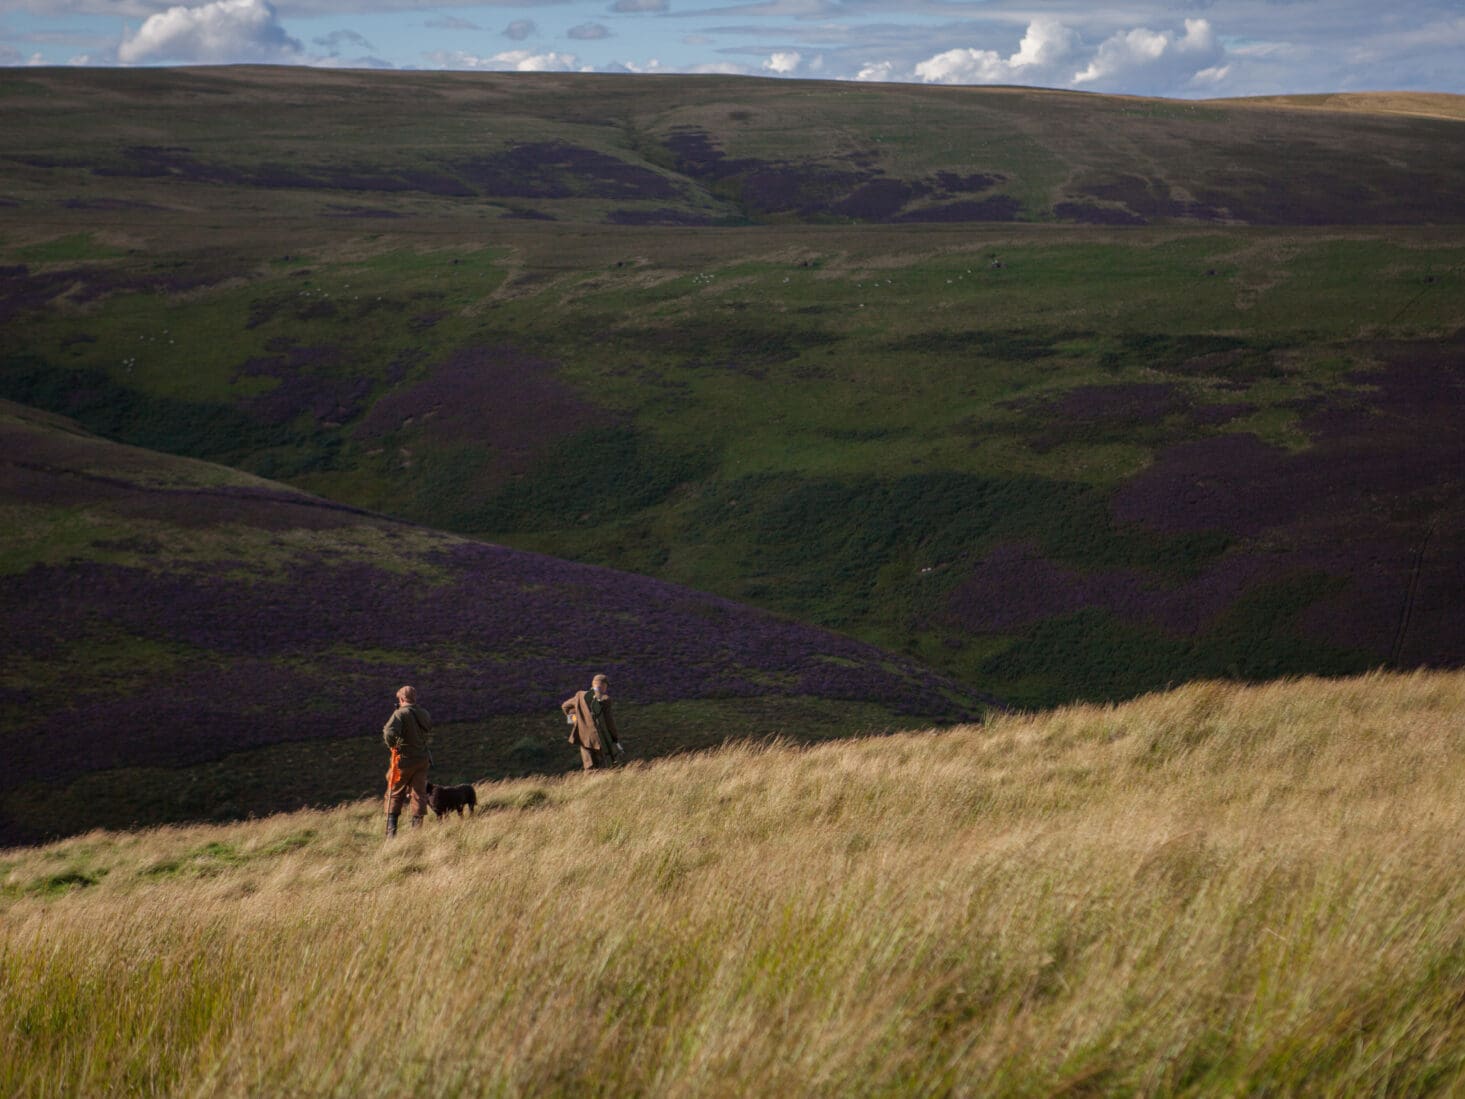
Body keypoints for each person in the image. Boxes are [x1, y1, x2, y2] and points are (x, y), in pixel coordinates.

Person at [383, 684, 433, 837]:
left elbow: (389, 733)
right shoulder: (424, 713)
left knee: (394, 793)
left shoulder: (400, 714)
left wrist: (397, 745)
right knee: (419, 794)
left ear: (402, 698)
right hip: (422, 759)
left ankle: (391, 835)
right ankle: (416, 834)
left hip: (404, 761)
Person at [561, 673, 623, 771]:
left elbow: (565, 706)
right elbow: (609, 722)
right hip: (600, 739)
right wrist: (614, 737)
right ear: (603, 685)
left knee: (590, 768)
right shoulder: (605, 699)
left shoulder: (579, 696)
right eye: (606, 686)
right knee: (608, 766)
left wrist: (575, 720)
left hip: (583, 738)